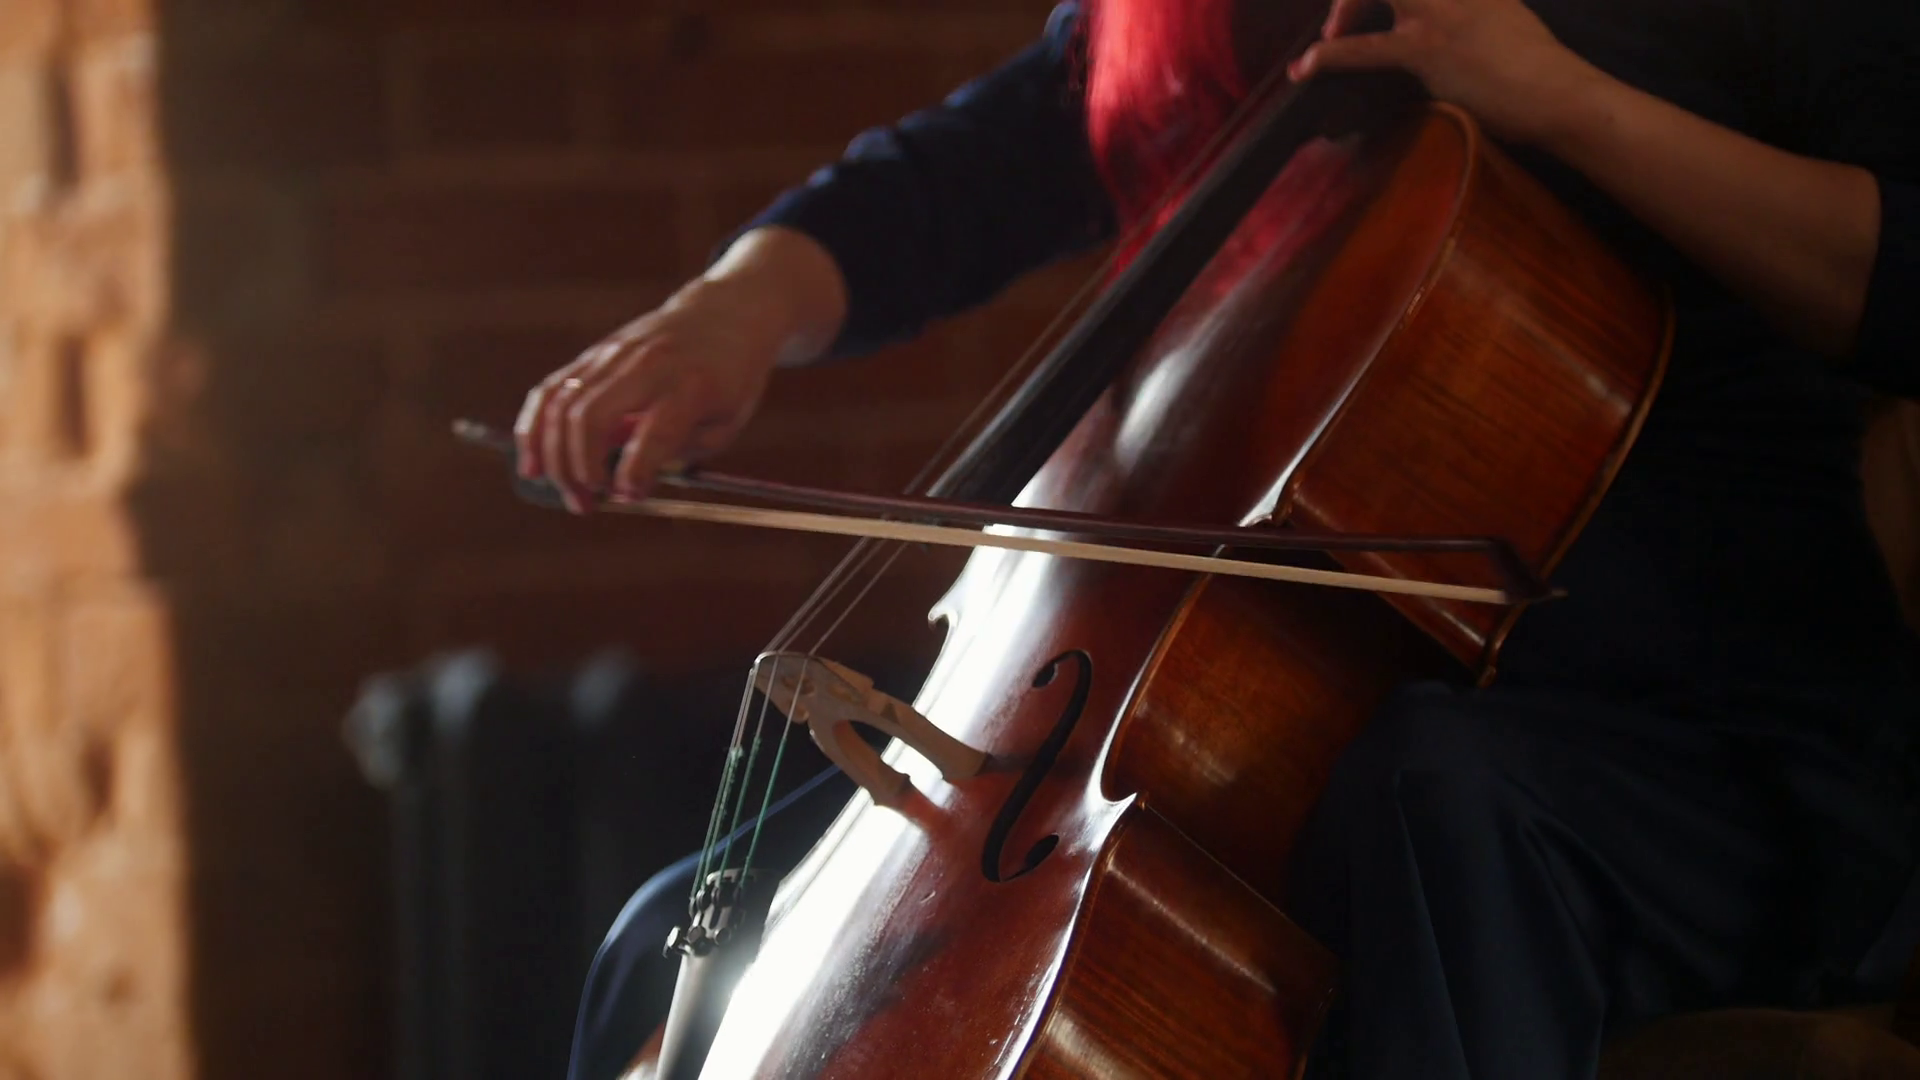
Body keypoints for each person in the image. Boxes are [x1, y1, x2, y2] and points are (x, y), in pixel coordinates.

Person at [516, 0, 1920, 1077]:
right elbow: (1012, 145)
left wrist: (1575, 106)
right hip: (1244, 692)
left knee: (1438, 801)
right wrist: (738, 306)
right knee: (669, 945)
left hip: (1706, 706)